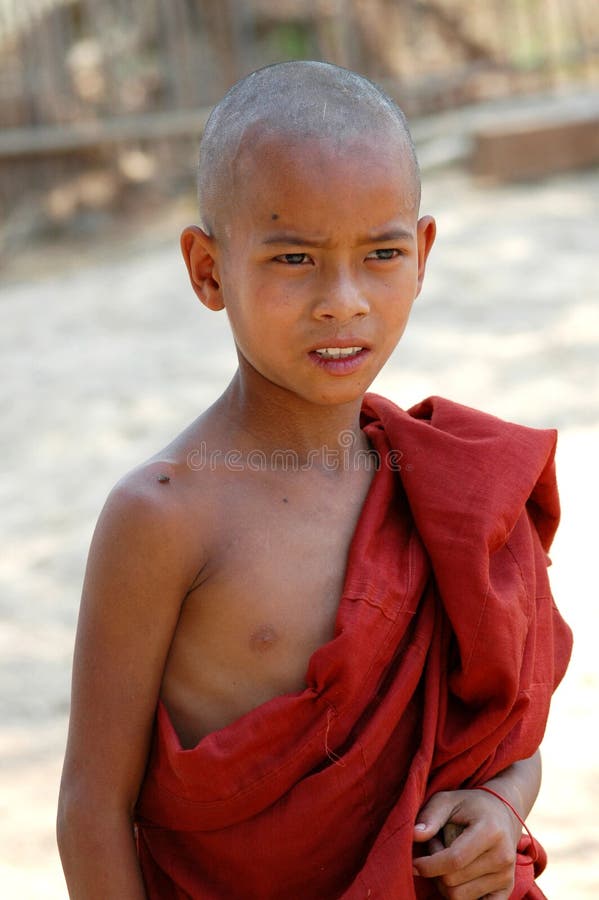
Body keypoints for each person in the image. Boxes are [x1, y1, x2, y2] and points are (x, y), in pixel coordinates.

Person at [57, 60, 572, 900]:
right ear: (208, 270)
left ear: (422, 255)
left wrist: (501, 805)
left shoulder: (449, 490)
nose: (342, 300)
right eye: (294, 257)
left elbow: (503, 736)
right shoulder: (163, 518)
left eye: (381, 254)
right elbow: (91, 809)